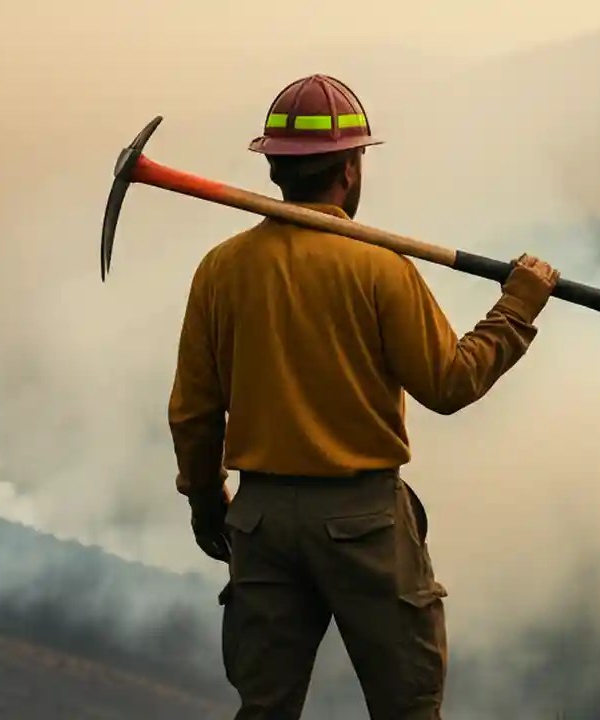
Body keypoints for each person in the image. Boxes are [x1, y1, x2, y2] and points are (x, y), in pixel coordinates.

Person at [167, 74, 559, 720]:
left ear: (272, 168)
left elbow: (194, 412)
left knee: (263, 710)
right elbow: (450, 382)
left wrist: (209, 505)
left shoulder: (220, 271)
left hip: (260, 523)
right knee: (408, 709)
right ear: (350, 170)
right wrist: (517, 309)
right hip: (365, 525)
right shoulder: (379, 268)